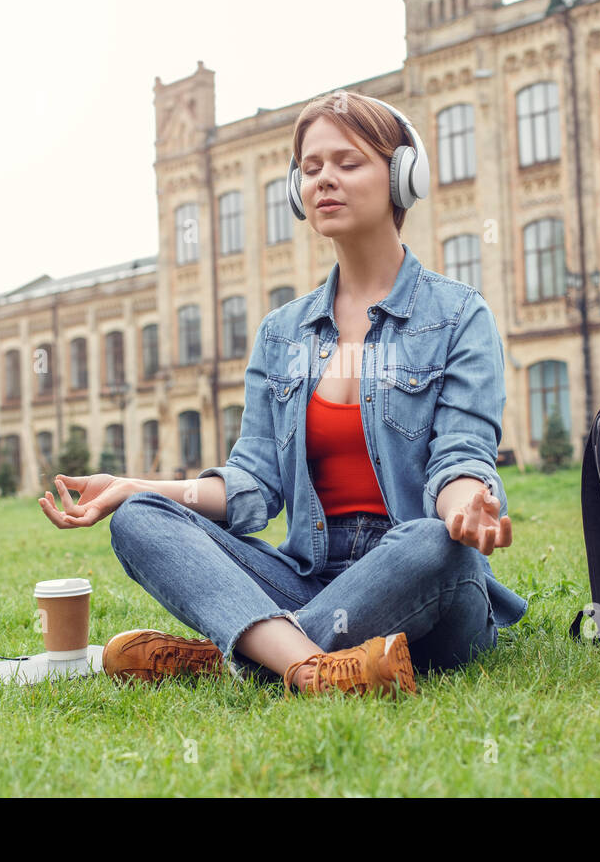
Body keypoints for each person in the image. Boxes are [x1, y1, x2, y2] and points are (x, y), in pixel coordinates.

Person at [38, 91, 526, 698]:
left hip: (425, 590)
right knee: (141, 520)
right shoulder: (282, 333)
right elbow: (253, 486)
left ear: (402, 176)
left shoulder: (458, 316)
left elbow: (460, 455)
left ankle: (244, 658)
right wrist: (134, 487)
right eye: (312, 168)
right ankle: (314, 668)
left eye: (348, 163)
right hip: (310, 582)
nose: (325, 180)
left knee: (431, 543)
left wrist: (464, 505)